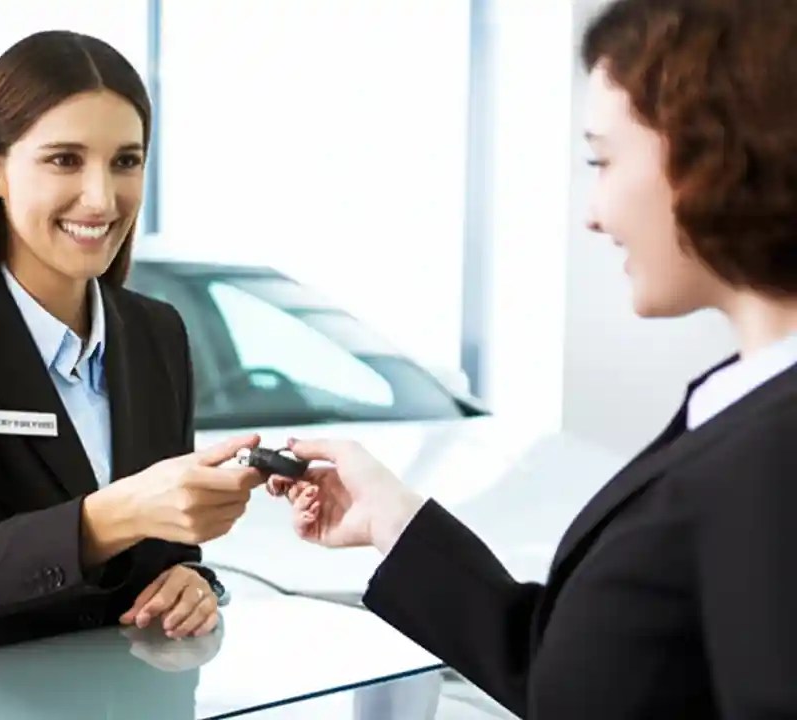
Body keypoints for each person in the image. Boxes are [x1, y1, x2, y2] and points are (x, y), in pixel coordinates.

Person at [270, 1, 797, 717]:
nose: (594, 213)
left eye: (602, 160)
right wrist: (391, 519)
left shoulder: (775, 458)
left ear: (716, 152)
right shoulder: (743, 405)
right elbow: (581, 676)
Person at [0, 30, 263, 669]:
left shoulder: (157, 334)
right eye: (65, 160)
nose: (101, 198)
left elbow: (162, 555)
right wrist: (118, 512)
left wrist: (193, 584)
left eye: (125, 161)